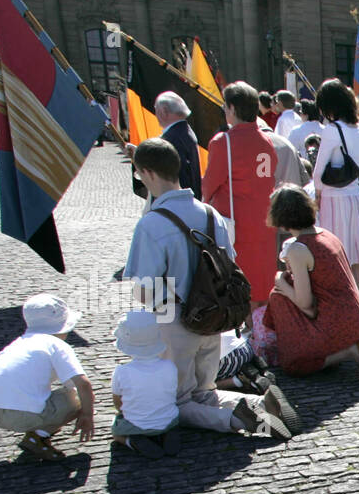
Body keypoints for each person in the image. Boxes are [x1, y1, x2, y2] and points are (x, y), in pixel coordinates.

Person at [125, 138, 298, 439]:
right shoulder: (209, 213)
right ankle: (258, 401)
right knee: (205, 391)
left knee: (176, 402)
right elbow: (229, 263)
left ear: (148, 173)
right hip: (213, 317)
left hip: (175, 319)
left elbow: (145, 289)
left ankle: (240, 421)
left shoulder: (151, 223)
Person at [257, 186, 359, 380]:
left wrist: (280, 281)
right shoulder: (328, 235)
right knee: (283, 292)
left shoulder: (298, 248)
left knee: (278, 297)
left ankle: (349, 352)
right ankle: (339, 350)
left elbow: (305, 304)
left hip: (336, 323)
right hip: (353, 318)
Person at [0, 294, 96, 461]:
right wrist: (87, 416)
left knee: (50, 396)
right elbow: (83, 384)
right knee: (77, 399)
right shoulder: (57, 344)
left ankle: (37, 429)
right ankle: (37, 436)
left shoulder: (18, 342)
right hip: (19, 414)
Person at [201, 82, 277, 309]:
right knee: (263, 279)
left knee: (241, 283)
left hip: (237, 224)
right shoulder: (266, 139)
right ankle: (263, 330)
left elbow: (209, 186)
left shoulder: (223, 142)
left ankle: (249, 334)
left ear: (233, 108)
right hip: (264, 220)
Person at [312, 79, 359, 311]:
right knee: (356, 255)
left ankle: (340, 308)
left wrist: (316, 196)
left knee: (337, 256)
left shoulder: (332, 130)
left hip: (332, 199)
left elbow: (318, 174)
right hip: (354, 197)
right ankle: (357, 305)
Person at [110, 308, 180, 458]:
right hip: (169, 420)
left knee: (116, 432)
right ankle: (165, 434)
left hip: (137, 423)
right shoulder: (170, 366)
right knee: (163, 416)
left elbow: (118, 404)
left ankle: (132, 441)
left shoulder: (122, 371)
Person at [152, 91, 200, 199]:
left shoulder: (171, 139)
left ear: (164, 111)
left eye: (156, 109)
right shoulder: (185, 131)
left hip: (175, 202)